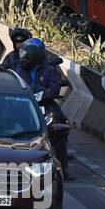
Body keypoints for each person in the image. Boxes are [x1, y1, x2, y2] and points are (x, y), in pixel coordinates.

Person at [15, 38, 68, 166]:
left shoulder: (50, 70)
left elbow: (54, 89)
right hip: (24, 107)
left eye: (25, 58)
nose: (22, 60)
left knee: (60, 125)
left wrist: (44, 95)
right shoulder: (20, 70)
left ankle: (63, 166)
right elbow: (15, 86)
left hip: (45, 105)